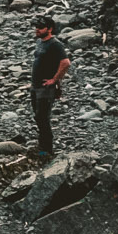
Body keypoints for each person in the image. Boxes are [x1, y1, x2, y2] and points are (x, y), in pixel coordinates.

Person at [29, 16, 70, 159]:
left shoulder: (55, 44)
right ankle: (42, 146)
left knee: (42, 117)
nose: (37, 30)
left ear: (50, 29)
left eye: (40, 27)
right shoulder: (40, 42)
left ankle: (46, 150)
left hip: (46, 88)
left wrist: (54, 79)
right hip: (36, 86)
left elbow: (65, 63)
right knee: (38, 116)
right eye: (36, 27)